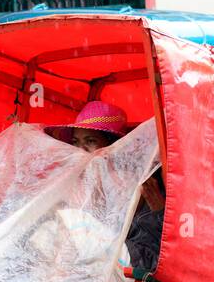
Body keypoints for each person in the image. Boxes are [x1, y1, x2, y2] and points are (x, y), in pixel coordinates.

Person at [45, 101, 165, 273]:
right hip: (100, 260)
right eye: (76, 142)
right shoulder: (80, 180)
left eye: (90, 141)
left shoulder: (133, 180)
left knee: (73, 220)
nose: (81, 149)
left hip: (135, 261)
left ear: (111, 145)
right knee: (46, 232)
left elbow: (124, 231)